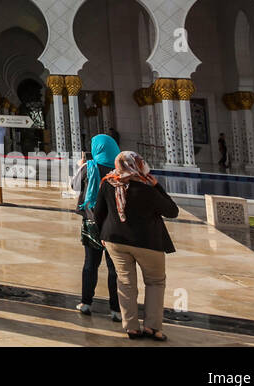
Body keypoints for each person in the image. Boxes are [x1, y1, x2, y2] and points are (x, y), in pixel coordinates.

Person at [94, 150, 179, 341]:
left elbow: (98, 212)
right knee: (155, 282)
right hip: (147, 242)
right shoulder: (147, 187)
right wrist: (157, 186)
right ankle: (152, 327)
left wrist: (102, 235)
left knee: (125, 283)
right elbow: (172, 211)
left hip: (115, 240)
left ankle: (131, 327)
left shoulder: (109, 183)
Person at [69, 132, 120, 321]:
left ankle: (86, 303)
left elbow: (74, 186)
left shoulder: (89, 167)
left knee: (90, 264)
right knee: (114, 268)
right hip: (115, 225)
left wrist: (79, 166)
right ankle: (116, 309)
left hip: (92, 223)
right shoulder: (120, 169)